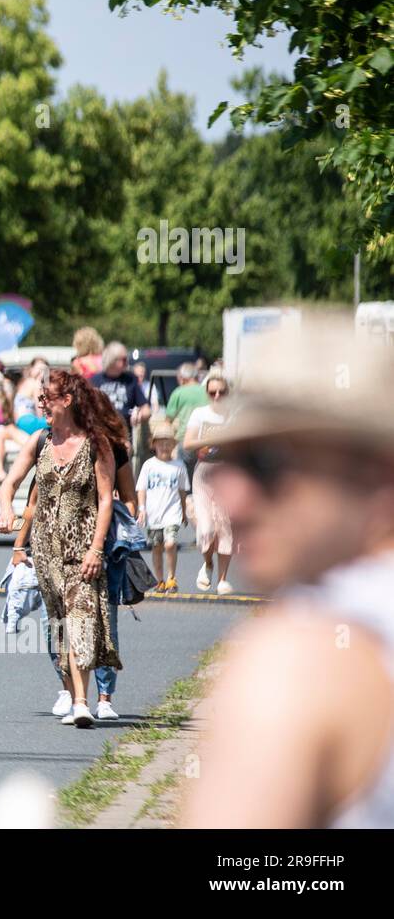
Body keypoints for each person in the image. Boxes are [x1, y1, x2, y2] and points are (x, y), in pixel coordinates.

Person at [183, 316, 394, 827]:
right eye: (227, 463)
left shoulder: (298, 658)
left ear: (375, 471)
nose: (230, 495)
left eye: (267, 463)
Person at [0, 370, 119, 728]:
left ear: (67, 400)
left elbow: (105, 500)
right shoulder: (39, 442)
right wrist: (7, 508)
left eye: (46, 396)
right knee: (60, 626)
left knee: (80, 620)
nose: (40, 402)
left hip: (83, 551)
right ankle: (72, 692)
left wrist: (97, 549)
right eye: (39, 396)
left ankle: (83, 702)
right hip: (46, 552)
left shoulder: (97, 444)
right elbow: (12, 481)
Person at [183, 372, 234, 594]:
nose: (217, 396)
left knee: (225, 525)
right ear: (207, 393)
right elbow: (188, 443)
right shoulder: (200, 414)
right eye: (212, 392)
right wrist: (212, 439)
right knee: (207, 527)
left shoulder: (233, 415)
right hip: (204, 473)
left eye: (221, 392)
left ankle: (223, 579)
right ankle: (208, 563)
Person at [136, 420, 189, 594]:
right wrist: (142, 508)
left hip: (172, 513)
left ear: (173, 445)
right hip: (154, 513)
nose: (164, 447)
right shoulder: (148, 465)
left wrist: (184, 511)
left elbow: (182, 490)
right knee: (157, 547)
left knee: (170, 543)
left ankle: (172, 577)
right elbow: (141, 488)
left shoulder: (179, 466)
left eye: (168, 443)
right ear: (154, 445)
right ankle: (160, 580)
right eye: (161, 443)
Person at [90, 341, 151, 433]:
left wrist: (139, 415)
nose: (127, 362)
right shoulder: (95, 380)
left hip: (124, 433)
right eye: (124, 359)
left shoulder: (130, 379)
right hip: (100, 434)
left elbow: (146, 409)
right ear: (112, 360)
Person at [165, 361, 207, 480]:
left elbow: (168, 421)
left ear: (182, 378)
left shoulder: (178, 392)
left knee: (183, 479)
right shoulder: (207, 391)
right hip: (204, 440)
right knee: (202, 478)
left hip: (185, 439)